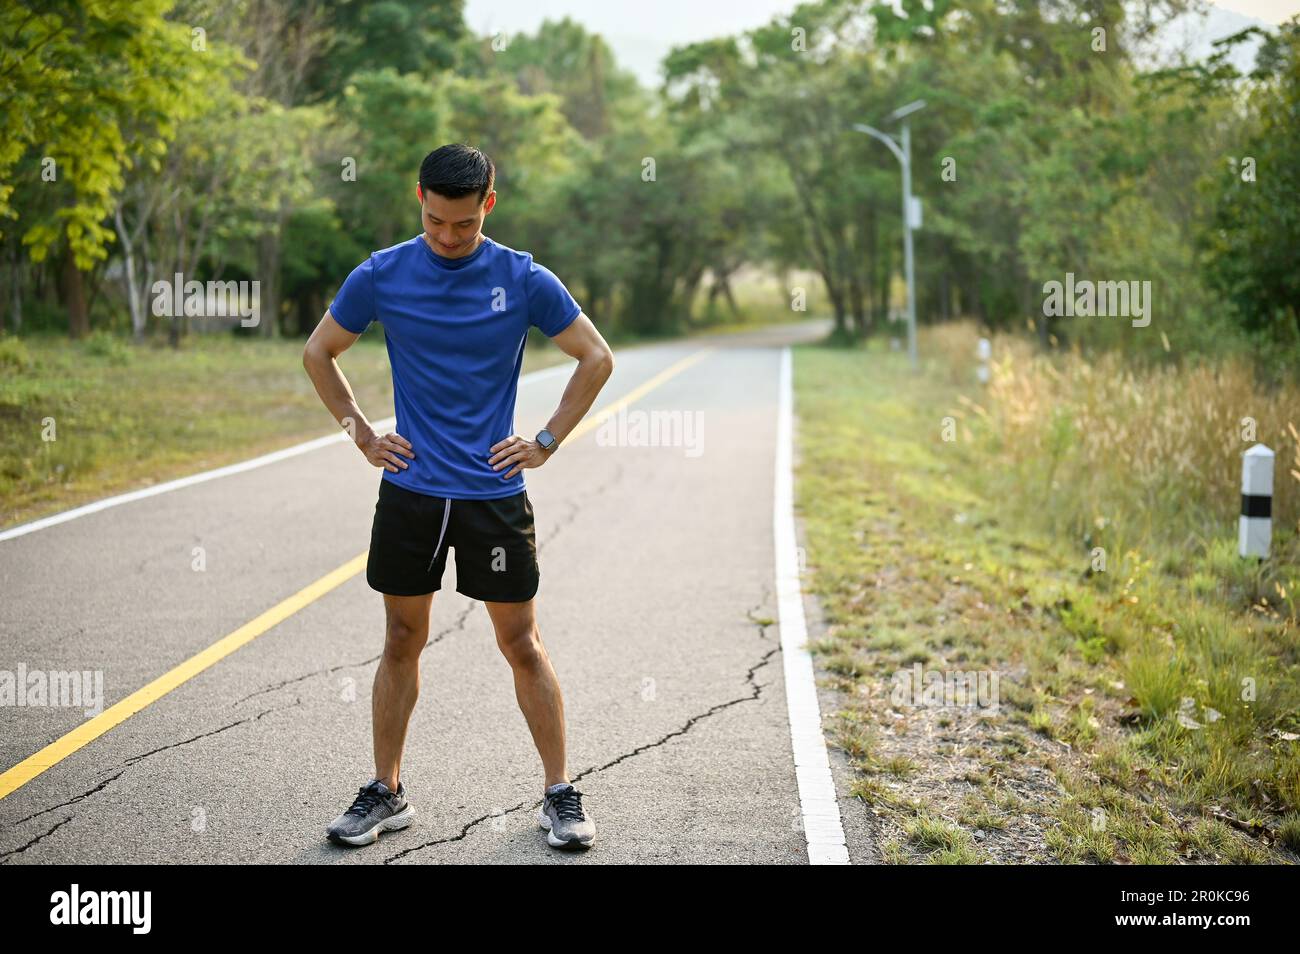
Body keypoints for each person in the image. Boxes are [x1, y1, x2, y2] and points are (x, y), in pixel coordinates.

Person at [302, 143, 615, 851]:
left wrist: (545, 441)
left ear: (489, 207)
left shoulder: (523, 277)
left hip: (491, 497)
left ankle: (559, 795)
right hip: (410, 493)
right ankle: (387, 792)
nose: (448, 238)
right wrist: (361, 435)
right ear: (420, 199)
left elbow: (596, 357)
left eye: (464, 225)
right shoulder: (381, 274)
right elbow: (319, 351)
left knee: (521, 643)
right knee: (400, 639)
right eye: (437, 221)